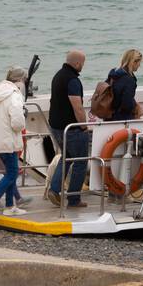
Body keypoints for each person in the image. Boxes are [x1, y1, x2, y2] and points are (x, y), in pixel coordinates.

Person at [0, 66, 30, 219]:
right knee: (12, 173)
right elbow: (17, 122)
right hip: (7, 141)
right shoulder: (15, 95)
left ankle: (10, 206)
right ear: (20, 80)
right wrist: (22, 124)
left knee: (10, 172)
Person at [47, 49, 90, 208]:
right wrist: (83, 126)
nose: (83, 67)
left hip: (56, 126)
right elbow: (77, 107)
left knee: (66, 158)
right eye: (82, 64)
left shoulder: (58, 76)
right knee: (80, 162)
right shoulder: (72, 80)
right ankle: (74, 199)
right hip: (71, 128)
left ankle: (54, 189)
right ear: (77, 63)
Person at [106, 49, 143, 122]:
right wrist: (137, 111)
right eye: (139, 62)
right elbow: (127, 105)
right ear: (134, 62)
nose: (139, 65)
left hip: (110, 116)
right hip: (122, 119)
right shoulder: (129, 80)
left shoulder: (114, 73)